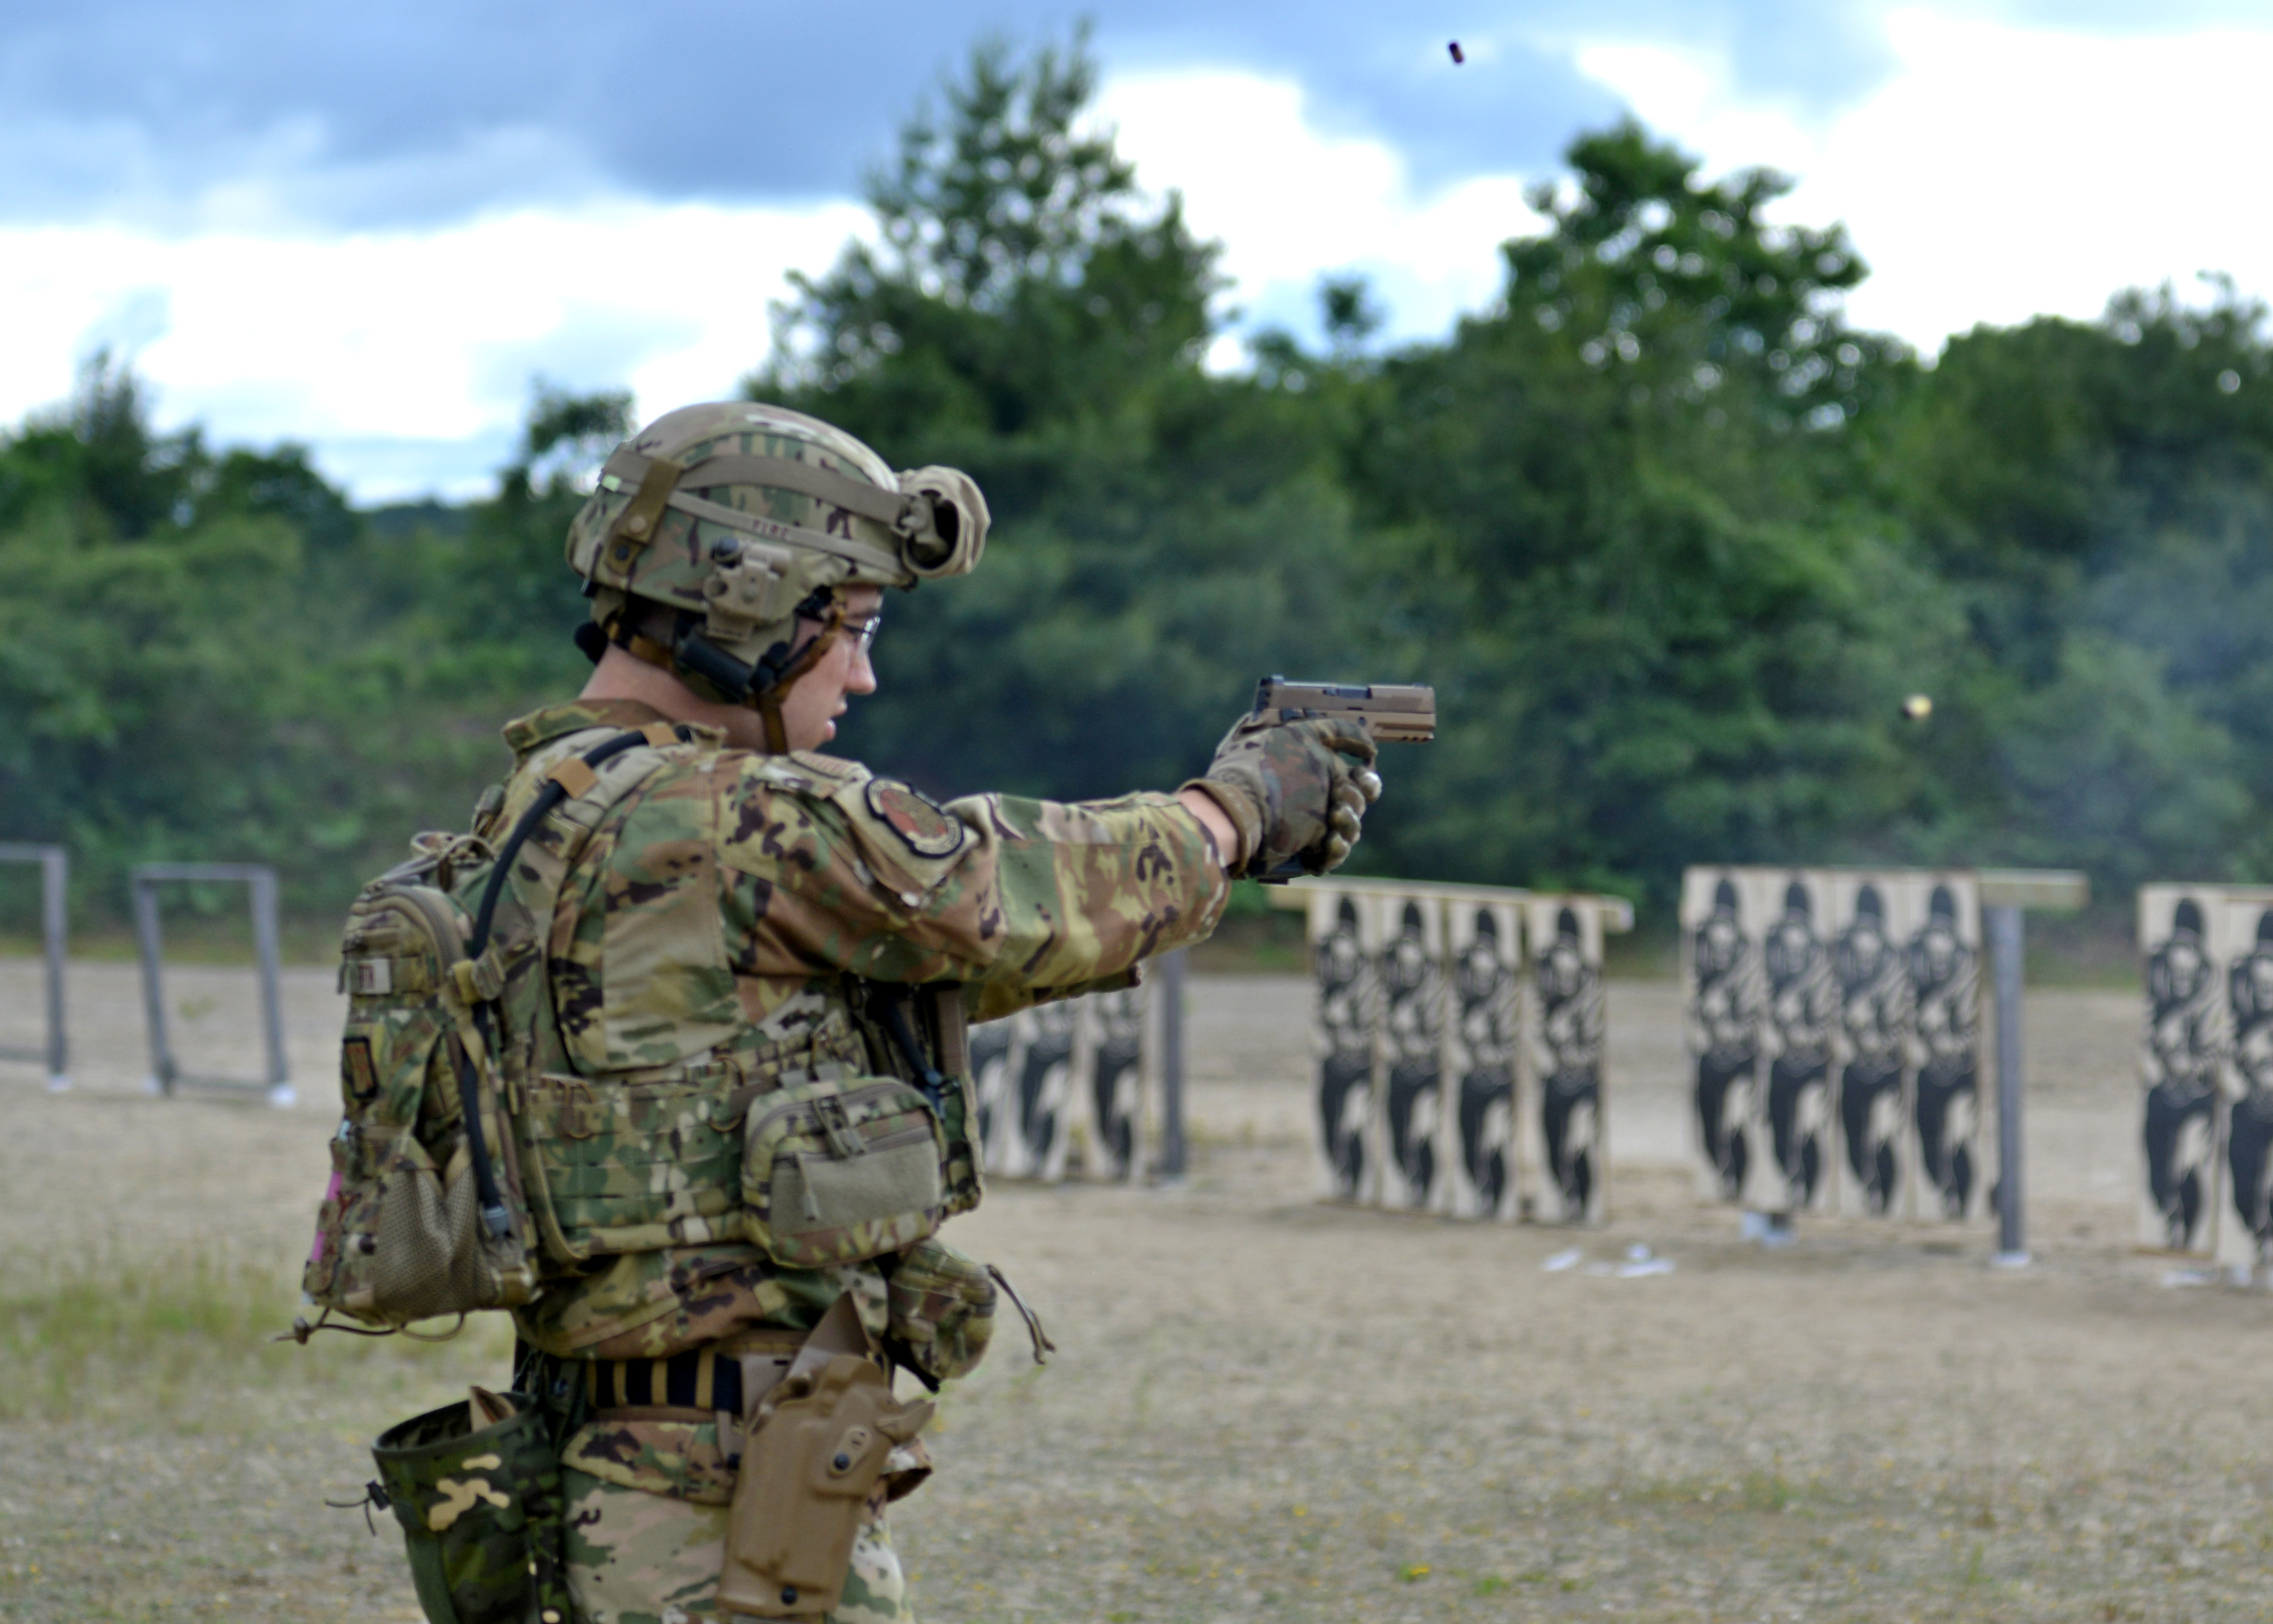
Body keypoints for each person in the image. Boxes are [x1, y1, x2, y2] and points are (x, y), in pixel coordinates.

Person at [476, 401, 1381, 1624]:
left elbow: (884, 983)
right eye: (848, 627)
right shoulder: (742, 820)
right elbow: (1001, 888)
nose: (863, 671)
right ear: (750, 605)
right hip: (715, 1488)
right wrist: (1230, 816)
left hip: (581, 1450)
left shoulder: (539, 812)